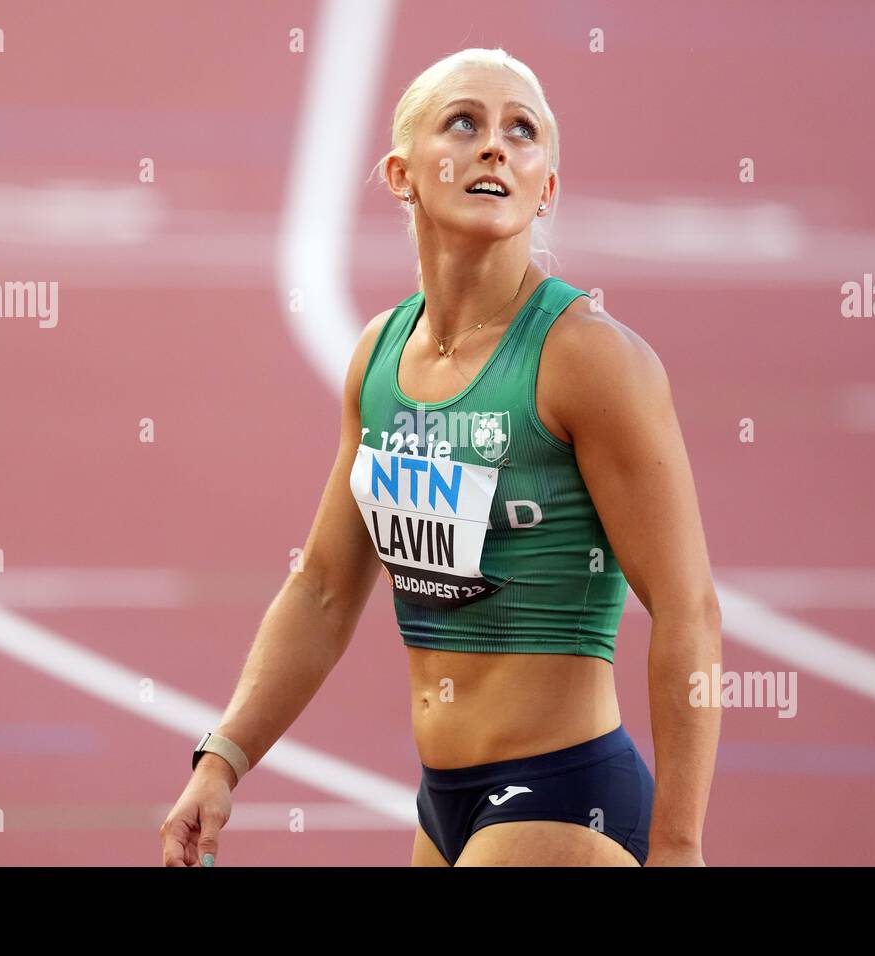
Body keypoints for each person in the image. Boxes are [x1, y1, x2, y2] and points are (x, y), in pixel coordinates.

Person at [161, 47, 721, 867]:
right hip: (444, 805)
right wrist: (223, 760)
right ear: (402, 174)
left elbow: (687, 607)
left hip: (566, 797)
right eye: (464, 122)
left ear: (546, 189)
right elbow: (323, 590)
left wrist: (678, 846)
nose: (495, 145)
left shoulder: (587, 359)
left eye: (522, 131)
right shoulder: (380, 356)